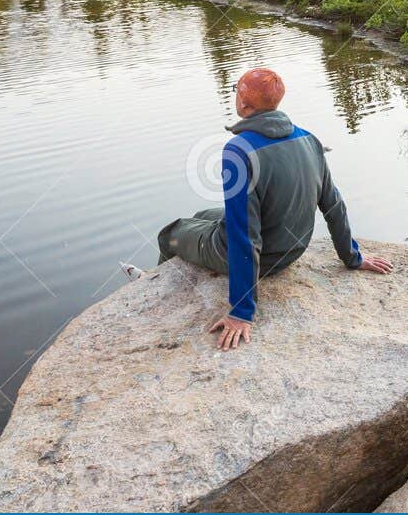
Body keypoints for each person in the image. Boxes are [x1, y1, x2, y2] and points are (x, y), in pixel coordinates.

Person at [157, 67, 392, 349]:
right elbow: (333, 204)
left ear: (244, 104)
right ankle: (198, 241)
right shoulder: (308, 139)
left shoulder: (238, 150)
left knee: (171, 232)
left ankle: (152, 289)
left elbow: (245, 237)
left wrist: (242, 312)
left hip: (262, 259)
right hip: (291, 251)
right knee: (203, 216)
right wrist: (352, 257)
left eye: (236, 90)